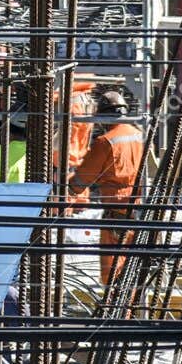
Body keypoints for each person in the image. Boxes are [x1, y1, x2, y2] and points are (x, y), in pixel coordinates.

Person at [67, 87, 145, 285]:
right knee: (132, 270)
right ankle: (130, 308)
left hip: (116, 212)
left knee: (113, 272)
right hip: (138, 208)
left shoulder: (105, 142)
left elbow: (83, 179)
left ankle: (116, 310)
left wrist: (68, 189)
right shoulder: (138, 135)